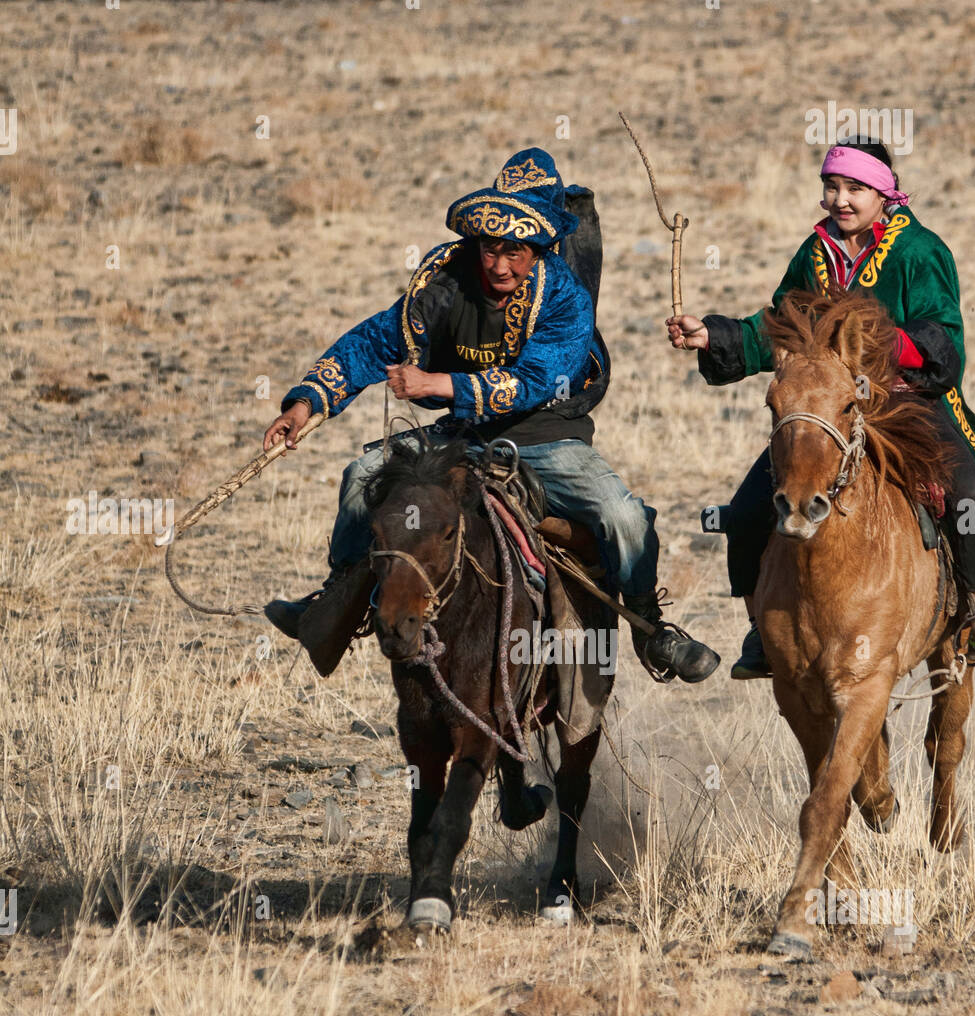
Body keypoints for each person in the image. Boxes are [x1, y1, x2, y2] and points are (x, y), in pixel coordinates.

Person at [263, 147, 718, 684]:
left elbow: (536, 382)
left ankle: (650, 628)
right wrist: (306, 401)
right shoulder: (445, 280)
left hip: (547, 437)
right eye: (490, 248)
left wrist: (439, 384)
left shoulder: (566, 299)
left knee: (625, 517)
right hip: (461, 434)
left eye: (517, 251)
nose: (500, 265)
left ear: (542, 246)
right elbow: (373, 341)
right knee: (361, 477)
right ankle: (337, 604)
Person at [667, 137, 975, 677]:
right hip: (829, 407)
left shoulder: (919, 251)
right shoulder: (814, 253)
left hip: (907, 401)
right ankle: (762, 630)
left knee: (967, 490)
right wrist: (713, 335)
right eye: (832, 187)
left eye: (855, 188)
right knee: (748, 509)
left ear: (884, 194)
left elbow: (943, 337)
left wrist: (885, 342)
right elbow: (779, 328)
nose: (840, 199)